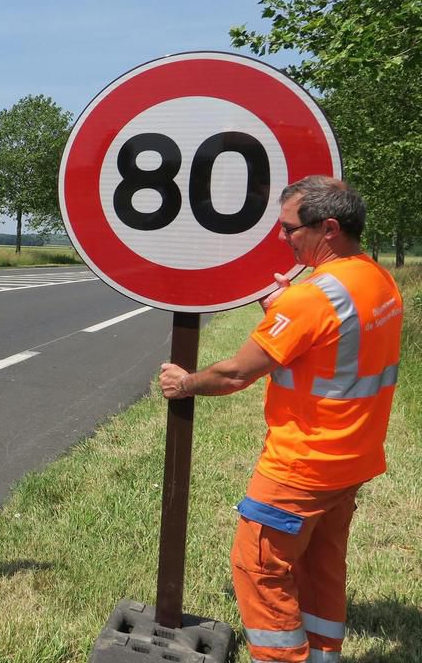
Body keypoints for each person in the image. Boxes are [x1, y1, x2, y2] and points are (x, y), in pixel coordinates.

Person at [158, 175, 402, 663]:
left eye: (290, 228)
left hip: (300, 467)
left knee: (260, 569)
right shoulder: (376, 278)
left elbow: (234, 375)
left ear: (328, 228)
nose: (281, 238)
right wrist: (282, 312)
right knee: (320, 566)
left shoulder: (310, 297)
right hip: (352, 459)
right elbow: (334, 348)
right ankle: (323, 656)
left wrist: (184, 383)